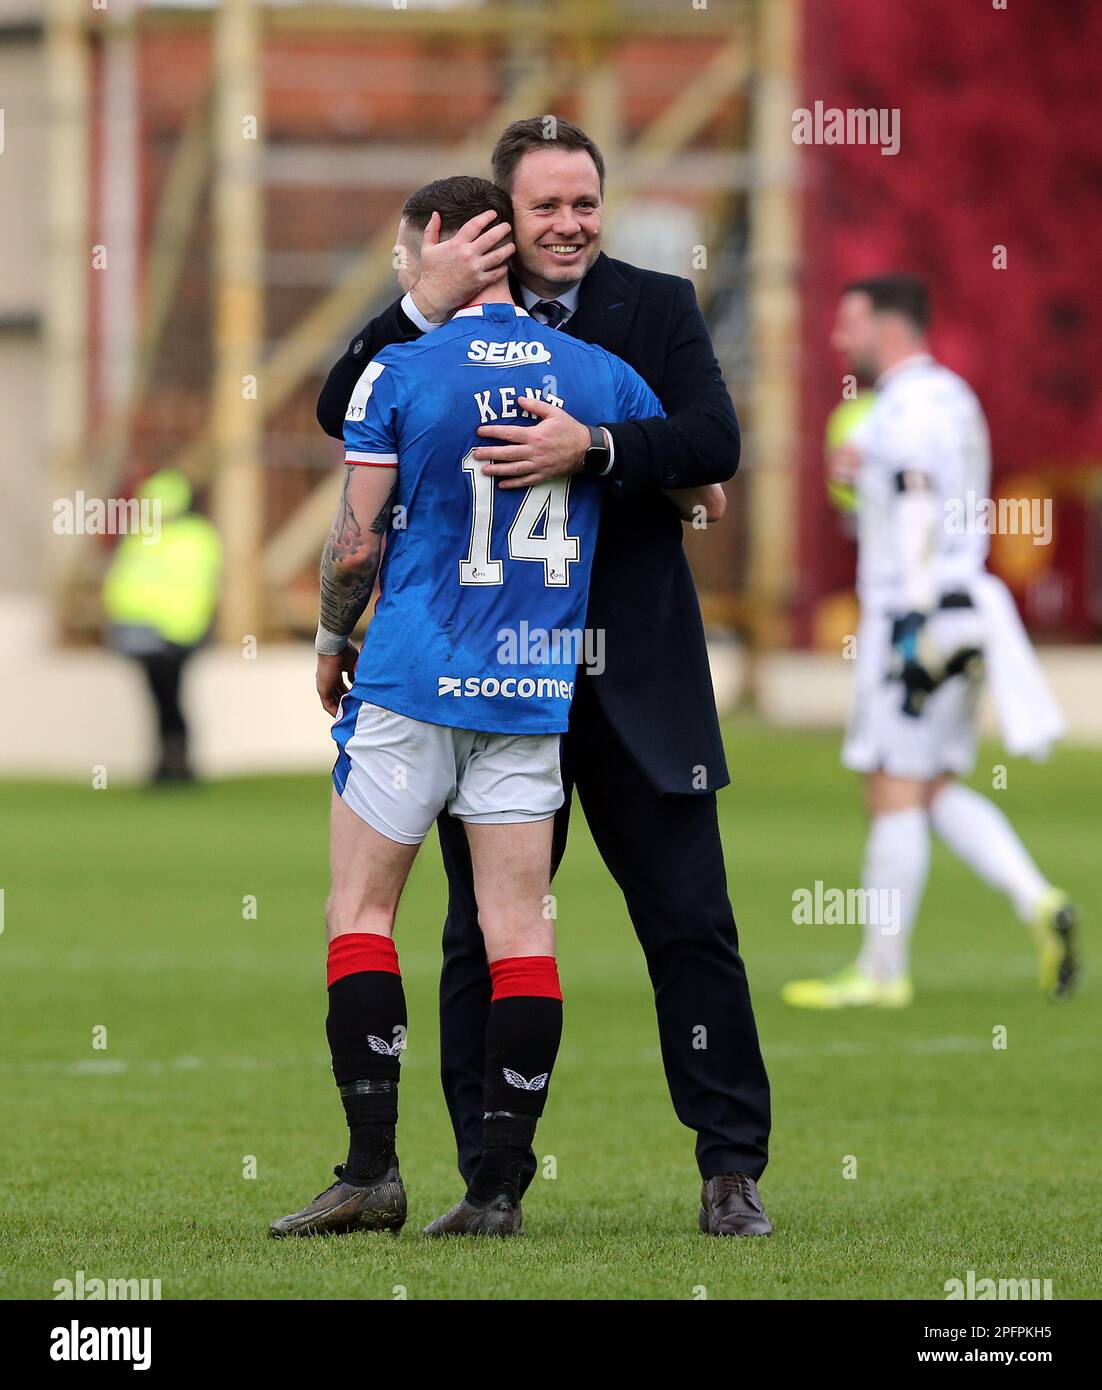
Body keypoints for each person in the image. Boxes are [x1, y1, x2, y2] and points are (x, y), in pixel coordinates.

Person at [317, 117, 772, 1238]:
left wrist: (595, 449)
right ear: (500, 224)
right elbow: (339, 401)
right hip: (506, 678)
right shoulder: (446, 321)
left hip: (629, 676)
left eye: (585, 203)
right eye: (546, 208)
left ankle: (730, 1169)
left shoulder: (654, 308)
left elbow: (714, 443)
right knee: (482, 936)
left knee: (690, 926)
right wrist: (418, 302)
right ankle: (489, 1178)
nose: (569, 225)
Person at [270, 175, 686, 1239]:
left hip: (412, 681)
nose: (401, 269)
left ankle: (371, 1172)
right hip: (531, 688)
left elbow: (354, 544)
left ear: (438, 244)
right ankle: (497, 1189)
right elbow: (704, 488)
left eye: (405, 253)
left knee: (362, 915)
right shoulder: (599, 374)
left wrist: (330, 641)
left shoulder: (400, 370)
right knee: (520, 931)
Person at [783, 273, 1078, 1010]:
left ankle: (881, 972)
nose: (838, 339)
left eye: (849, 325)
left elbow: (915, 503)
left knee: (890, 783)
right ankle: (1039, 900)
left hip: (916, 615)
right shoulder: (955, 397)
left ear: (887, 329)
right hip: (968, 606)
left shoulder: (898, 411)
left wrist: (911, 625)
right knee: (932, 782)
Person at [102, 468, 222, 784]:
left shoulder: (192, 536)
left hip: (175, 634)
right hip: (147, 633)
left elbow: (194, 587)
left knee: (169, 696)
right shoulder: (148, 535)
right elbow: (124, 582)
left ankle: (176, 759)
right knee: (162, 697)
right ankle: (170, 759)